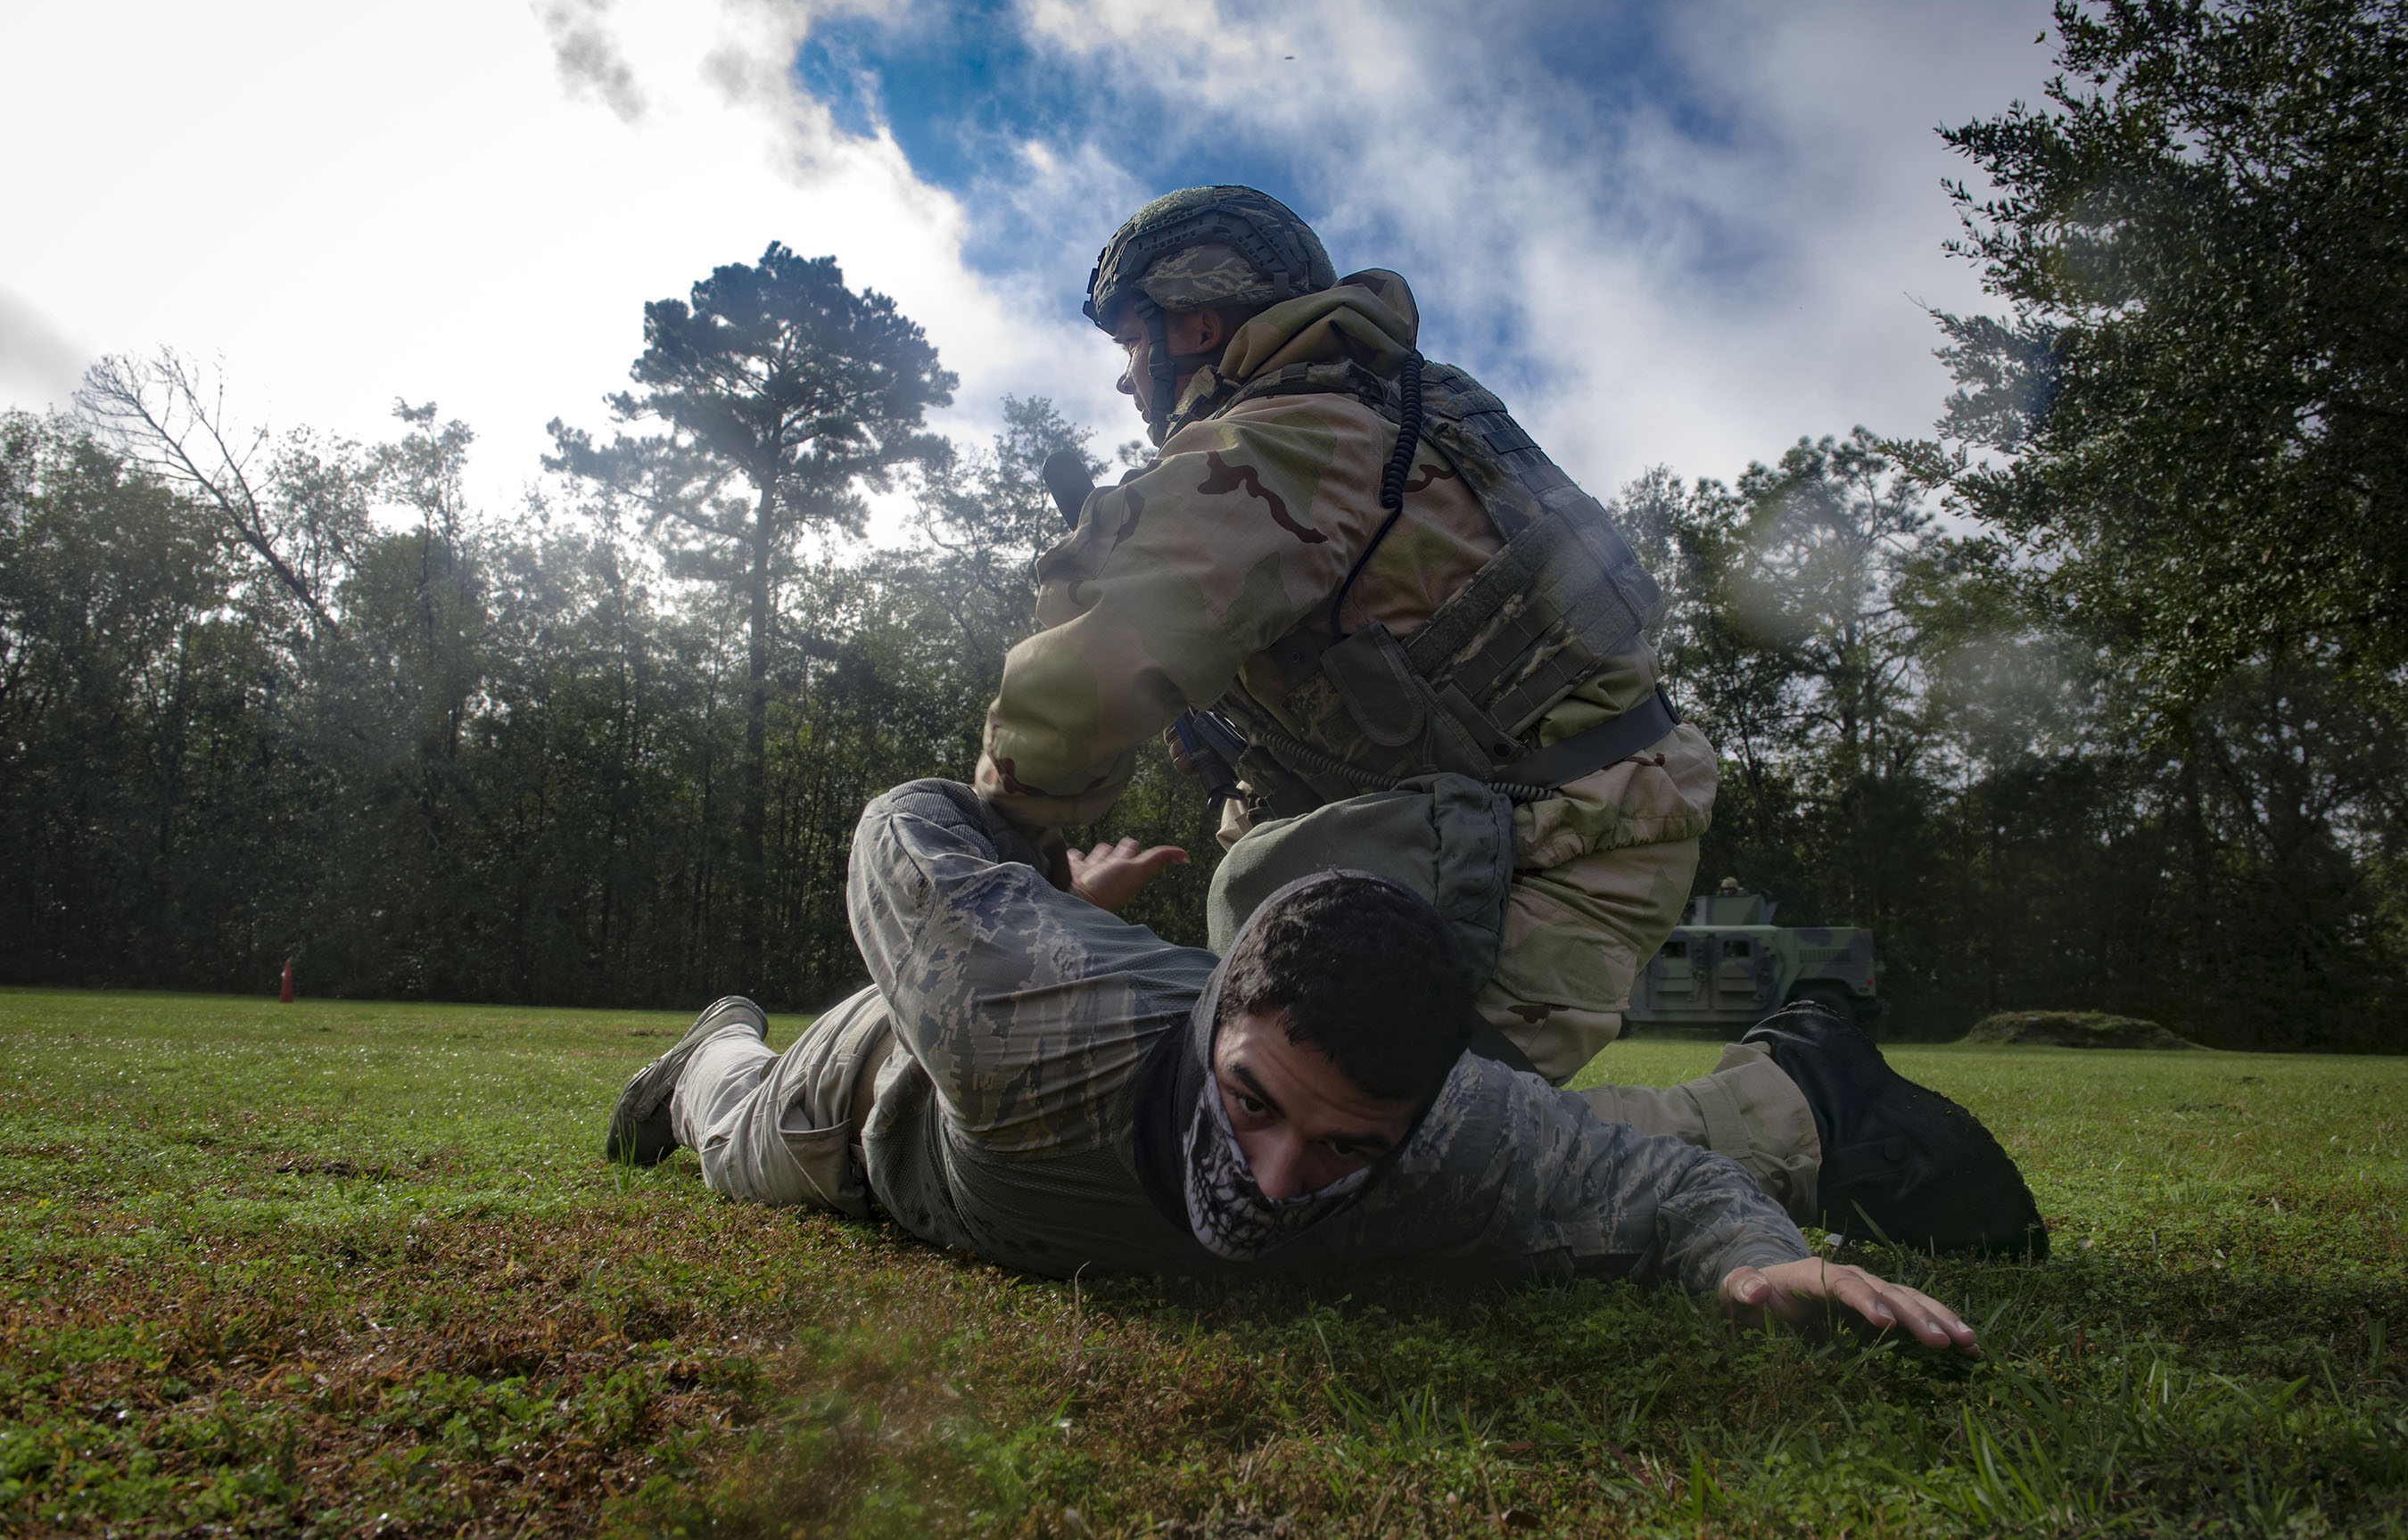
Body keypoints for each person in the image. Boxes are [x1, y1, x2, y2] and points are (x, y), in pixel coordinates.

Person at [968, 185, 2041, 1248]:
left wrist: (996, 883)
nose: (1125, 371)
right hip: (1530, 818)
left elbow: (1071, 695)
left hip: (1559, 840)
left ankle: (1800, 1112)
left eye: (1131, 338)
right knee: (1293, 1121)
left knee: (1371, 1156)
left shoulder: (1286, 443)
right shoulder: (1375, 408)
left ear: (1195, 320)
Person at [606, 779, 1986, 1349]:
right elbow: (898, 829)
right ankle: (710, 1040)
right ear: (1219, 1021)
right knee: (738, 1135)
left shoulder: (1458, 1136)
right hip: (874, 1104)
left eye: (1343, 1149)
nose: (1274, 1182)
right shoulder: (1011, 1006)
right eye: (1253, 1102)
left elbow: (1667, 1188)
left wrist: (1757, 1259)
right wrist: (1032, 857)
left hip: (1063, 978)